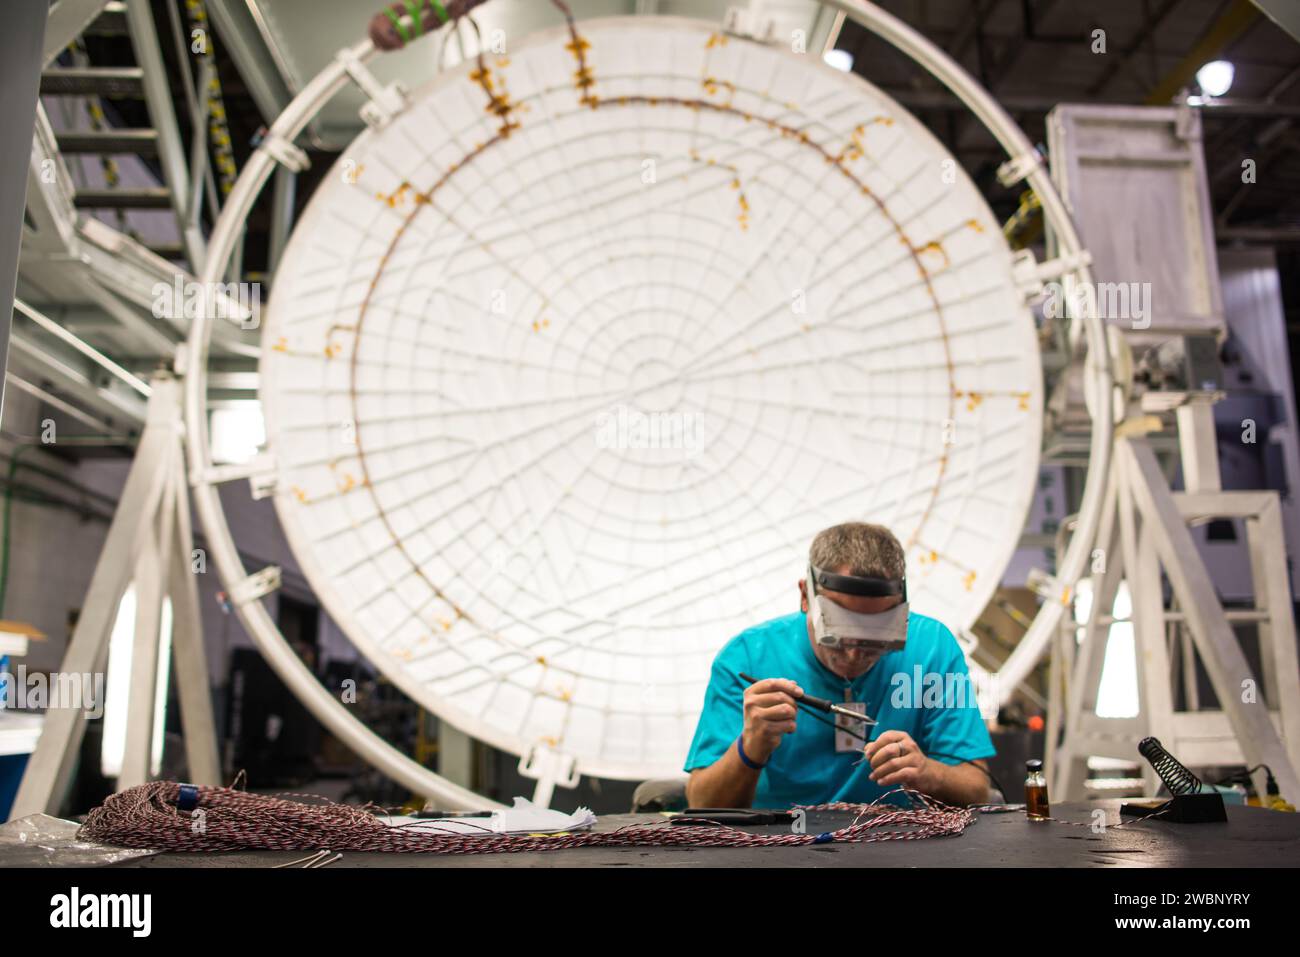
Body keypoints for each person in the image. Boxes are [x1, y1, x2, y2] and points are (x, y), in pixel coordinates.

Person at [684, 522, 994, 808]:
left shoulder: (932, 649)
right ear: (806, 596)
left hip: (895, 847)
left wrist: (927, 773)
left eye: (876, 640)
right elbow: (702, 804)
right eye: (837, 637)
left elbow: (977, 789)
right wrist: (750, 745)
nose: (853, 657)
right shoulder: (748, 657)